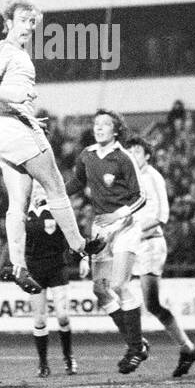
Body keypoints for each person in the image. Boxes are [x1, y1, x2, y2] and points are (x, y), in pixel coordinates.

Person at [0, 0, 100, 292]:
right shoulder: (1, 50)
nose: (28, 26)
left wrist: (28, 115)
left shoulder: (19, 54)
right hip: (12, 128)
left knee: (18, 205)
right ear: (7, 22)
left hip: (13, 126)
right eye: (22, 19)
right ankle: (78, 245)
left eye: (32, 22)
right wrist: (18, 100)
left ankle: (19, 266)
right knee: (55, 185)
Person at [69, 109, 149, 374]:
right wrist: (51, 196)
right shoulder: (87, 155)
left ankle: (136, 350)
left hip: (125, 226)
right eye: (96, 123)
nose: (99, 128)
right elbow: (77, 183)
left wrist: (119, 214)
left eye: (105, 124)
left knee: (119, 285)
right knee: (101, 290)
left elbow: (140, 197)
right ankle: (136, 343)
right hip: (101, 227)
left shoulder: (123, 158)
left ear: (116, 130)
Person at [126, 136, 195, 377]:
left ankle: (183, 347)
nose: (133, 155)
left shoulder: (152, 177)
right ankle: (144, 344)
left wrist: (136, 230)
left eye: (138, 151)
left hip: (150, 244)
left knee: (152, 304)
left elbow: (161, 214)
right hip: (134, 245)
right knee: (114, 288)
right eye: (131, 151)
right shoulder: (130, 180)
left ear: (147, 155)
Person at [20, 181, 77, 377]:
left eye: (40, 186)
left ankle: (68, 358)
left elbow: (71, 233)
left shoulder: (57, 208)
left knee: (62, 316)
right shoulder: (22, 210)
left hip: (57, 266)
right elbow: (16, 240)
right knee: (39, 319)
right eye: (34, 186)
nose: (37, 189)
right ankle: (43, 364)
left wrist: (83, 258)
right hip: (34, 269)